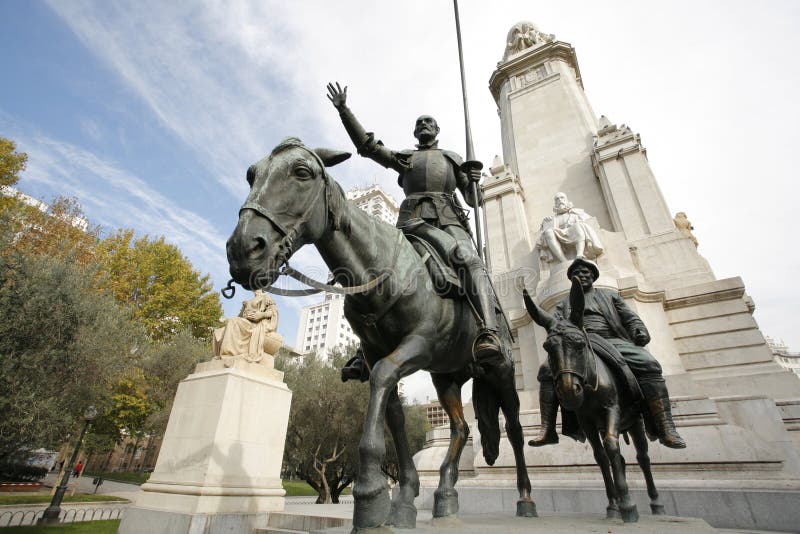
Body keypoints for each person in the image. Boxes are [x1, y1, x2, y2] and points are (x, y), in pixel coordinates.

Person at [327, 82, 507, 368]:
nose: (424, 124)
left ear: (437, 130)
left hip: (447, 221)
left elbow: (474, 200)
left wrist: (474, 181)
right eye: (420, 122)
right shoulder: (406, 158)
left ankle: (489, 331)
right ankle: (366, 351)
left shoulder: (451, 158)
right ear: (415, 132)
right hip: (410, 223)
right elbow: (368, 148)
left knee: (469, 260)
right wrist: (343, 110)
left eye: (429, 122)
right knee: (373, 269)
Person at [529, 258, 686, 449]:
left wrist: (638, 329)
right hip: (578, 343)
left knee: (649, 363)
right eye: (577, 273)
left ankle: (665, 426)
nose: (582, 275)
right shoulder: (563, 304)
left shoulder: (610, 296)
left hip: (612, 341)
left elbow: (630, 317)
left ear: (593, 276)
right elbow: (556, 325)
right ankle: (547, 429)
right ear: (571, 279)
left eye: (586, 272)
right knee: (546, 370)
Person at [535, 192, 604, 264]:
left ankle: (580, 254)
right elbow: (542, 233)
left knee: (578, 225)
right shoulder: (553, 218)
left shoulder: (577, 212)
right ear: (555, 203)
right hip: (559, 234)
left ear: (566, 200)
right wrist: (545, 222)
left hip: (574, 231)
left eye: (562, 198)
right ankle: (564, 261)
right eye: (557, 199)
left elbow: (589, 221)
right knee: (548, 232)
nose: (560, 200)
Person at [212, 289, 280, 359]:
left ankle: (228, 353)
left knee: (233, 322)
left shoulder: (266, 297)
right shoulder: (249, 301)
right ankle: (220, 354)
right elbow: (240, 317)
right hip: (245, 322)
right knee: (219, 332)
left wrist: (261, 315)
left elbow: (273, 312)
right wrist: (243, 308)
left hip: (254, 324)